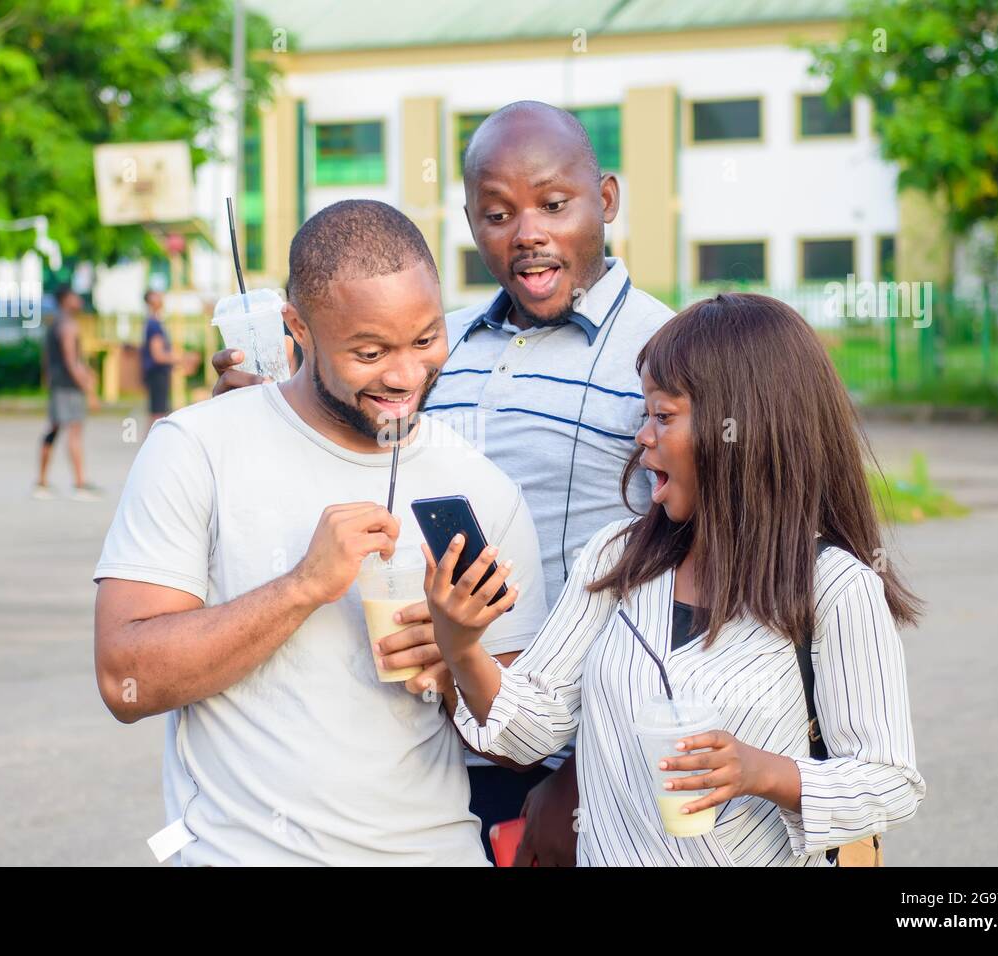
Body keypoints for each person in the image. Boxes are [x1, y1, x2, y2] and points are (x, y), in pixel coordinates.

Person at [207, 100, 675, 864]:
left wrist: (586, 774)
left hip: (567, 754)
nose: (527, 232)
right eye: (496, 213)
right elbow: (324, 421)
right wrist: (257, 401)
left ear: (608, 199)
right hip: (429, 739)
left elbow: (692, 578)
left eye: (554, 205)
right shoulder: (432, 342)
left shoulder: (664, 355)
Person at [93, 200, 549, 865]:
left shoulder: (480, 487)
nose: (404, 375)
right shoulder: (196, 447)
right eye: (369, 352)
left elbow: (516, 743)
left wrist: (457, 659)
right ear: (297, 327)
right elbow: (124, 682)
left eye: (425, 339)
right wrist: (304, 586)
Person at [425, 292, 927, 866]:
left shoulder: (836, 588)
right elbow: (530, 732)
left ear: (743, 432)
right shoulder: (615, 560)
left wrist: (763, 771)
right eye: (645, 415)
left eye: (663, 416)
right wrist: (461, 647)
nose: (642, 436)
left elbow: (891, 783)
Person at [34, 286, 101, 500]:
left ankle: (42, 482)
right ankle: (79, 483)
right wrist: (89, 390)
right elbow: (71, 361)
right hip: (68, 386)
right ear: (66, 300)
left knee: (54, 429)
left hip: (58, 384)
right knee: (74, 431)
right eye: (75, 297)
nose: (79, 300)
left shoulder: (56, 322)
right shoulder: (68, 325)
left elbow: (47, 358)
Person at [140, 289, 182, 427]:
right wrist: (181, 359)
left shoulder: (151, 322)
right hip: (157, 374)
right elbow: (158, 355)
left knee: (156, 414)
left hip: (156, 374)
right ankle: (151, 446)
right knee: (157, 416)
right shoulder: (154, 325)